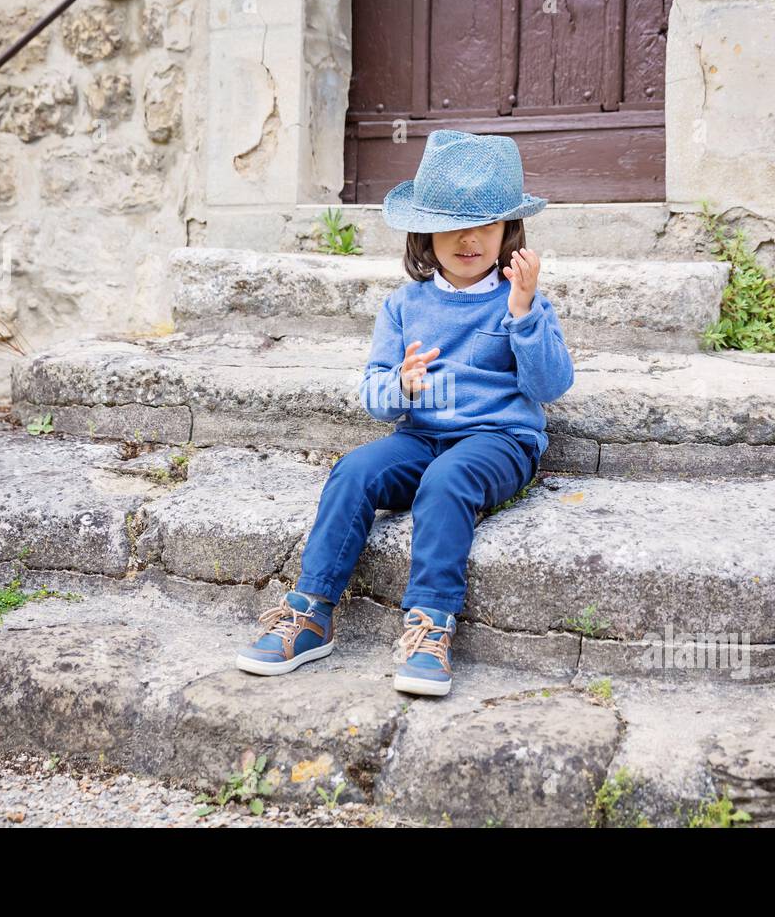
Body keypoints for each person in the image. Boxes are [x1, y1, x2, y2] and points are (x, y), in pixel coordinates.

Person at [235, 129, 575, 696]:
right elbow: (374, 395)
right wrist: (401, 384)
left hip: (497, 442)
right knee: (354, 470)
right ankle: (311, 612)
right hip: (420, 435)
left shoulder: (522, 301)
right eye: (451, 226)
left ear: (508, 233)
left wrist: (522, 314)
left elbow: (550, 385)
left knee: (447, 480)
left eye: (486, 225)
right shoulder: (404, 305)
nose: (469, 240)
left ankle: (430, 623)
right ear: (425, 232)